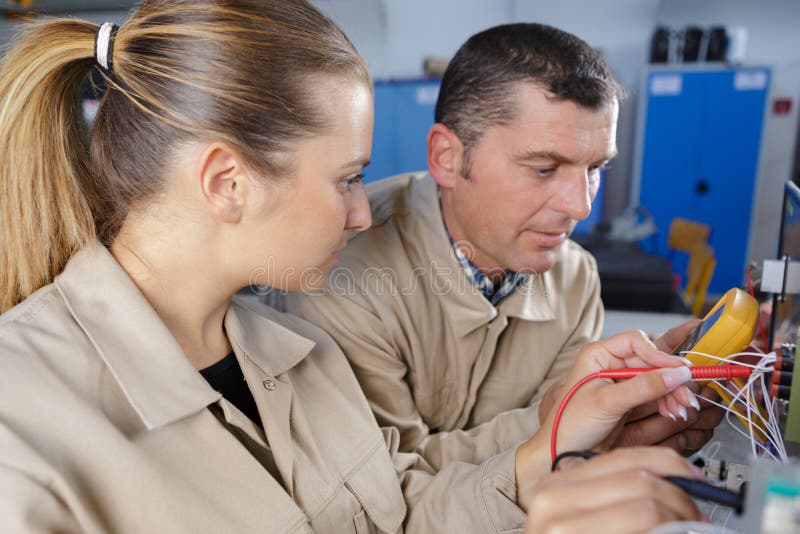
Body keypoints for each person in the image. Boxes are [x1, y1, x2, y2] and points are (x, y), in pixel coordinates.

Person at [0, 3, 702, 531]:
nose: (362, 213)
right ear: (227, 182)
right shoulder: (21, 426)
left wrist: (549, 454)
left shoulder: (297, 356)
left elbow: (396, 513)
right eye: (346, 179)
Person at [283, 23, 722, 470]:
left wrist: (620, 412)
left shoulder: (574, 278)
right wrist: (562, 417)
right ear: (446, 158)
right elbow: (384, 482)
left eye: (594, 168)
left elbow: (566, 458)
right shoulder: (341, 269)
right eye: (545, 168)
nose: (581, 206)